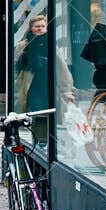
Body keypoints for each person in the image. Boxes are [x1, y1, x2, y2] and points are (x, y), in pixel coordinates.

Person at [14, 13, 73, 151]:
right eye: (37, 27)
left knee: (49, 113)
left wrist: (67, 89)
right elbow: (17, 67)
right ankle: (40, 142)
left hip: (48, 83)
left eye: (42, 26)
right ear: (31, 28)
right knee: (37, 113)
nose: (40, 29)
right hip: (31, 85)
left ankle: (45, 142)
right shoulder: (24, 45)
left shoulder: (51, 44)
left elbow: (61, 67)